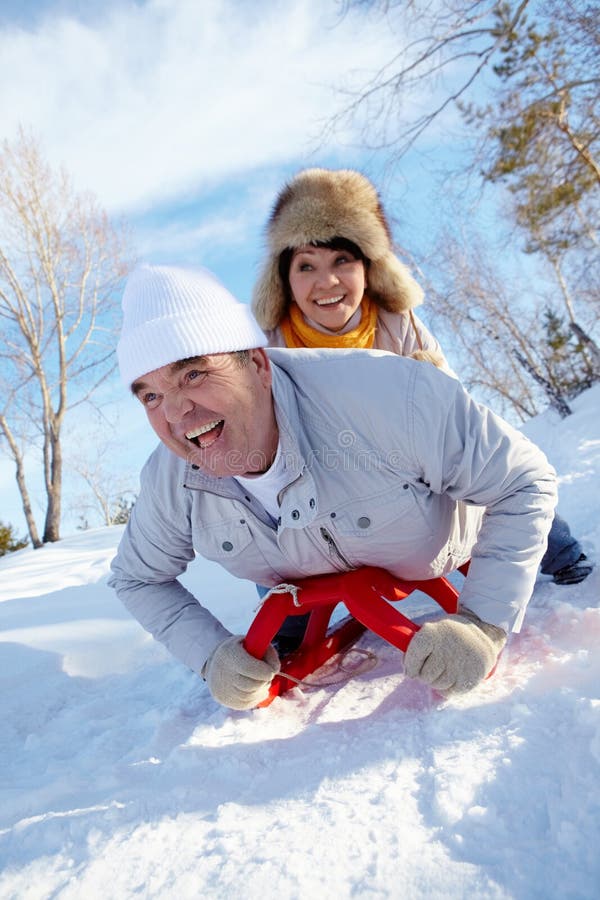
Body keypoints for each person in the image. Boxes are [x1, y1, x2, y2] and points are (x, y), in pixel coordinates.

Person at [109, 262, 557, 711]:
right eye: (151, 396)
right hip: (306, 571)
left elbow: (524, 479)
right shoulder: (172, 479)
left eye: (194, 374)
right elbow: (136, 579)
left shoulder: (383, 394)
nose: (175, 413)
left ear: (258, 364)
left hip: (444, 538)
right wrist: (209, 655)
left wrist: (483, 624)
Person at [251, 167, 593, 588]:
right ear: (285, 278)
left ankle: (560, 551)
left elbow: (451, 411)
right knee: (271, 522)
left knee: (488, 455)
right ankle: (288, 624)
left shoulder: (396, 324)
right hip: (323, 485)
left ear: (368, 267)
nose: (327, 282)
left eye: (342, 260)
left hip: (409, 472)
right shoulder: (269, 349)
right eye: (307, 266)